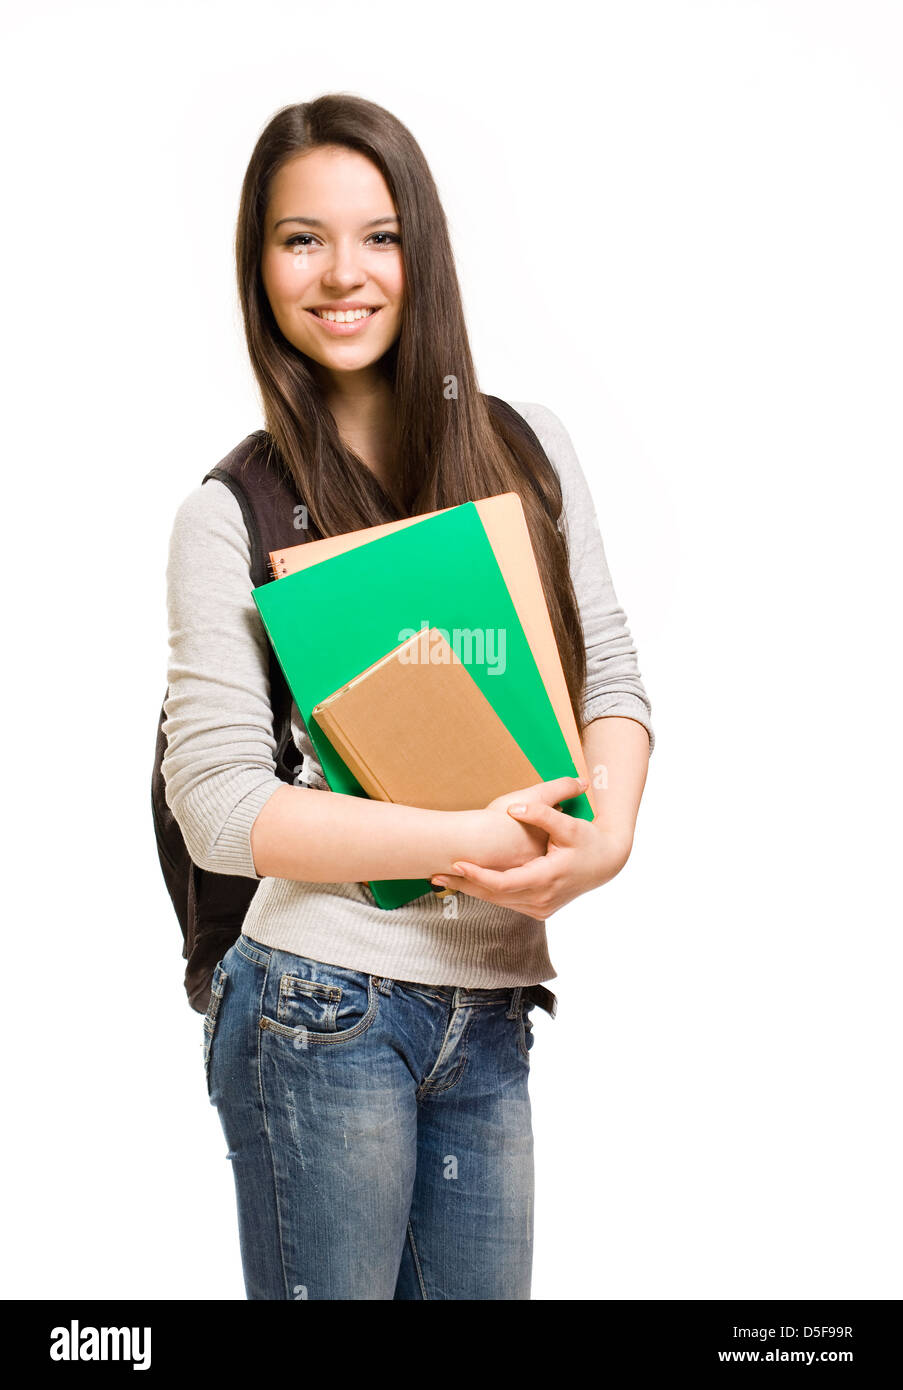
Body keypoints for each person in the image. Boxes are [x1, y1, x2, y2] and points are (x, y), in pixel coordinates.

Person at [162, 93, 655, 1301]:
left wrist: (606, 845)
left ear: (419, 251)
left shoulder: (526, 452)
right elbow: (220, 805)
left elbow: (620, 683)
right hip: (318, 1001)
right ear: (260, 265)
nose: (344, 273)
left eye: (378, 235)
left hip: (491, 1006)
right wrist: (476, 841)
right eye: (301, 239)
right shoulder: (229, 513)